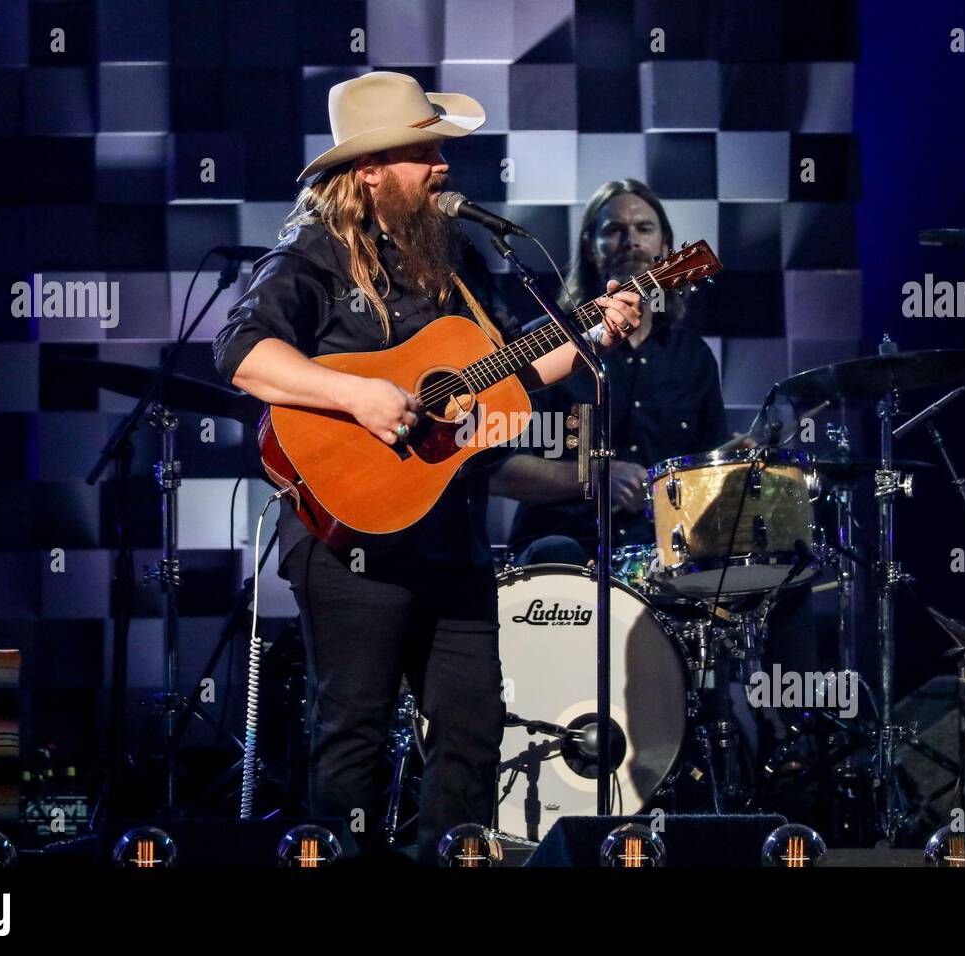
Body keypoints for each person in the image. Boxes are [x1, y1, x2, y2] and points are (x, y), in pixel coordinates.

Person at [211, 72, 642, 863]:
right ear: (369, 170)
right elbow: (243, 355)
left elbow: (511, 368)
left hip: (450, 535)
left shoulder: (455, 260)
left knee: (474, 729)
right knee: (355, 736)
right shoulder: (313, 255)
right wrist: (359, 397)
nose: (443, 166)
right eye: (423, 152)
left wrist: (594, 335)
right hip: (352, 542)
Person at [490, 179, 730, 566]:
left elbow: (706, 475)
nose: (631, 241)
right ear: (590, 245)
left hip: (661, 565)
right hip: (558, 559)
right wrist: (594, 475)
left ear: (666, 248)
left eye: (644, 229)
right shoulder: (543, 343)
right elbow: (498, 473)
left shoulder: (694, 358)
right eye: (614, 230)